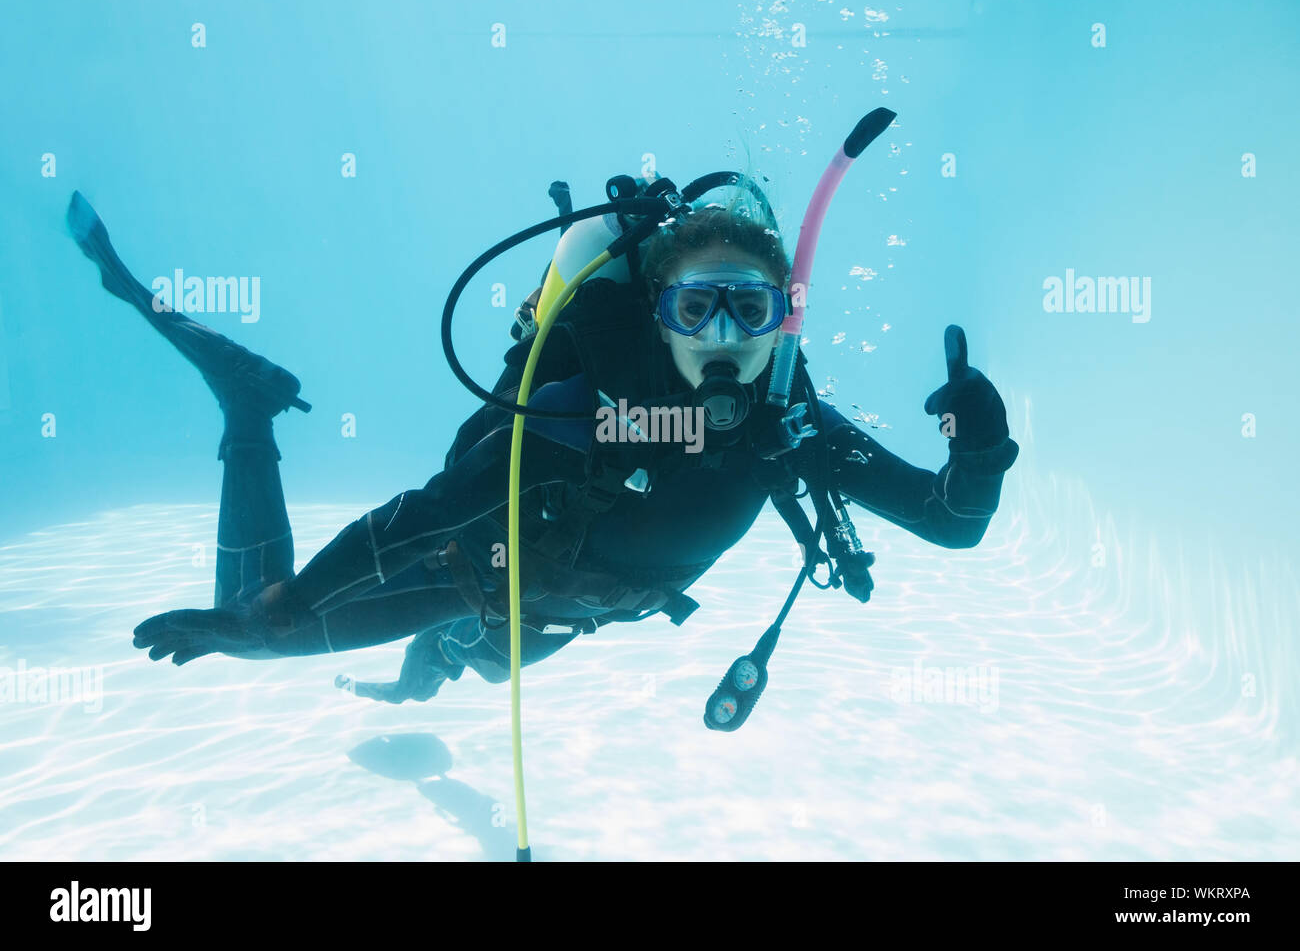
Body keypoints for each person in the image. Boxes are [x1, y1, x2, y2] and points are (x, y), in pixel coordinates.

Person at [70, 189, 1019, 704]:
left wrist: (979, 452)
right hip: (475, 567)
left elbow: (951, 523)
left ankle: (422, 682)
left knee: (471, 663)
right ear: (658, 313)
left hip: (569, 610)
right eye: (698, 307)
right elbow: (429, 516)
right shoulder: (587, 403)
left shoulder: (789, 426)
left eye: (750, 310)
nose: (724, 337)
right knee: (258, 629)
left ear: (782, 324)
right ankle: (247, 411)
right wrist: (288, 604)